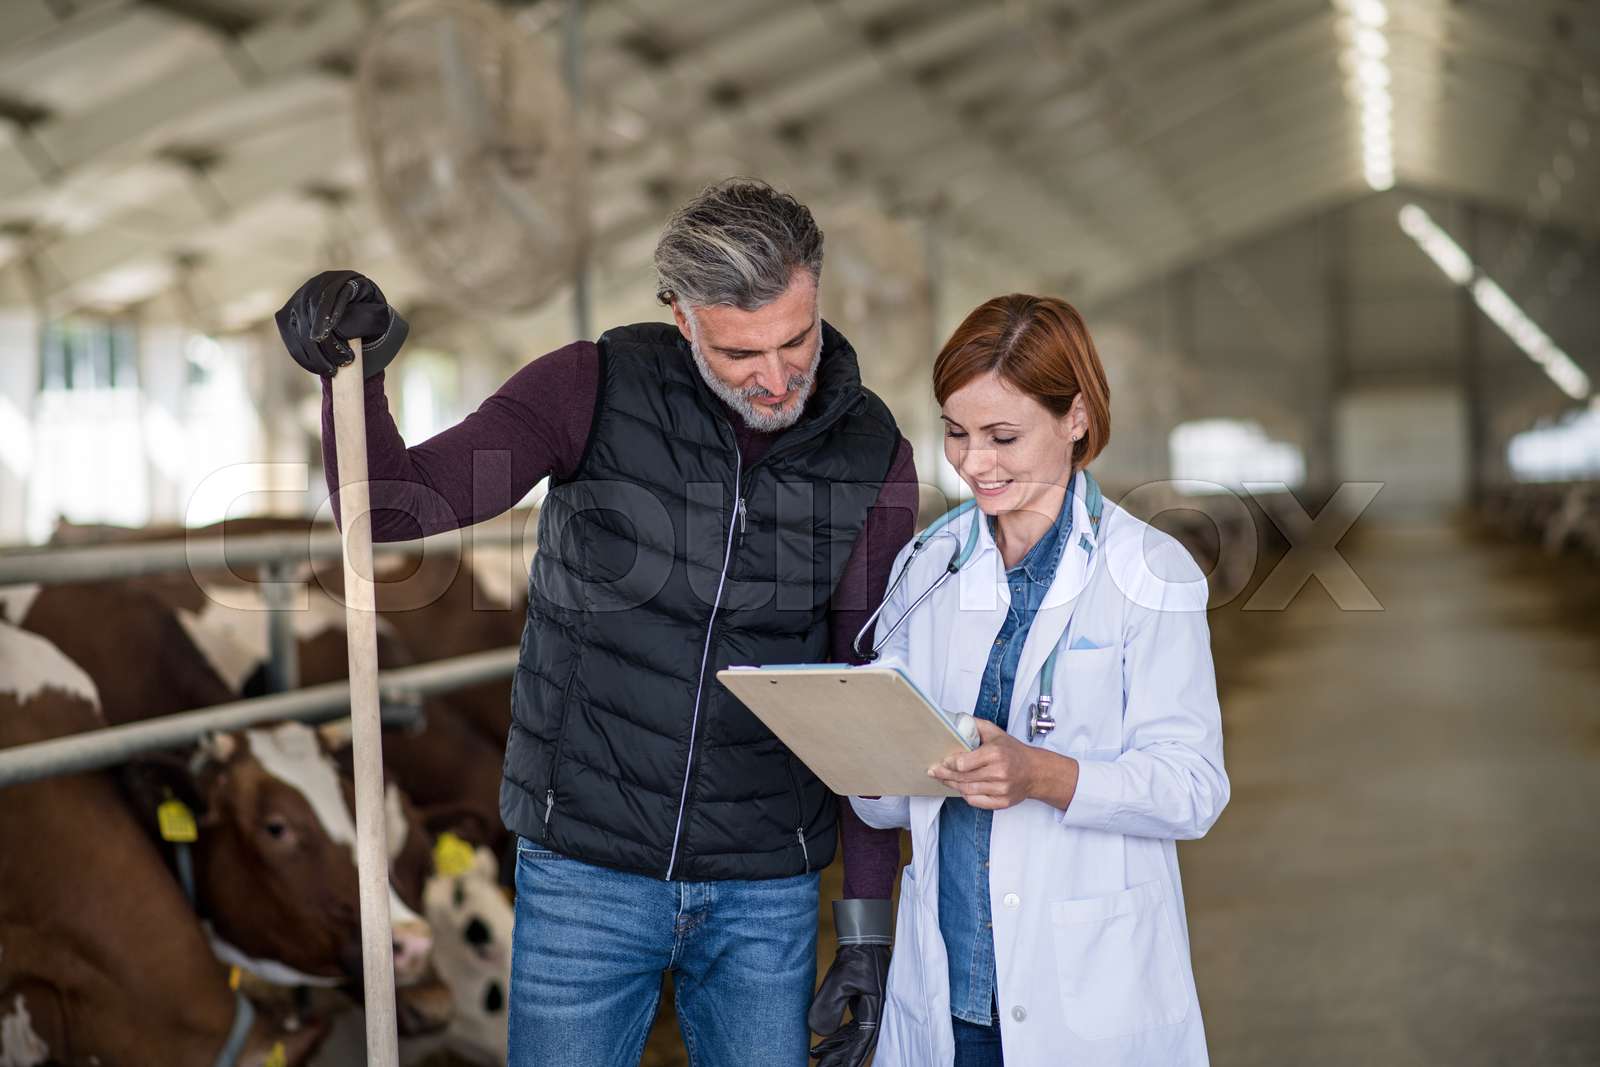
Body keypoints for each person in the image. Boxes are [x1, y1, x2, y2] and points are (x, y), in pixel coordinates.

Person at [275, 179, 917, 1067]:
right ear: (682, 318)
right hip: (587, 866)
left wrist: (868, 929)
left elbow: (864, 701)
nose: (776, 379)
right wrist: (360, 370)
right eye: (739, 352)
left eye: (796, 339)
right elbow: (395, 511)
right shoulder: (591, 386)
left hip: (767, 879)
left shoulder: (874, 454)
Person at [850, 295, 1229, 1067]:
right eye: (955, 433)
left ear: (1077, 418)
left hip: (1085, 990)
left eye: (1002, 436)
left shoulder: (1149, 572)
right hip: (947, 989)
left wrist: (1042, 774)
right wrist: (860, 742)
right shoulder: (929, 564)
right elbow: (883, 799)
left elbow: (1193, 788)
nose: (973, 461)